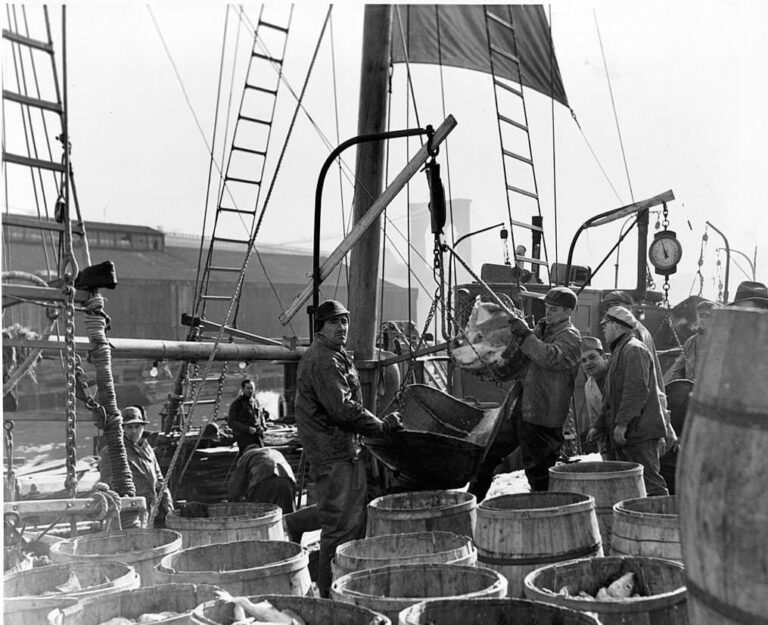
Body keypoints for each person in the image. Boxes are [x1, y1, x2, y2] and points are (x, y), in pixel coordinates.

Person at [294, 299, 403, 597]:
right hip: (333, 455)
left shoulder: (335, 354)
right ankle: (330, 595)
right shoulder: (324, 360)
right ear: (321, 327)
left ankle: (341, 588)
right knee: (340, 528)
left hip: (344, 450)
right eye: (335, 322)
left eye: (345, 322)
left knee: (350, 524)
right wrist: (380, 427)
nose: (342, 327)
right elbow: (342, 410)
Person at [470, 286, 581, 498]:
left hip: (543, 414)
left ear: (568, 312)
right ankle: (471, 503)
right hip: (520, 407)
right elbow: (521, 360)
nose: (548, 313)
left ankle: (545, 510)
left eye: (554, 310)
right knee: (488, 456)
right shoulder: (542, 330)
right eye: (547, 308)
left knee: (539, 472)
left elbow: (549, 357)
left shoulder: (570, 337)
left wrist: (526, 335)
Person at [588, 306, 668, 496]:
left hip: (640, 433)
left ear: (616, 325)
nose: (604, 330)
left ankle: (662, 522)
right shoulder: (620, 352)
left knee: (650, 484)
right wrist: (598, 426)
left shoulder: (633, 349)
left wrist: (622, 424)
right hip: (630, 434)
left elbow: (636, 390)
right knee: (633, 487)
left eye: (606, 325)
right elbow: (610, 396)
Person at [98, 405, 173, 527]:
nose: (134, 431)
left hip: (150, 510)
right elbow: (108, 483)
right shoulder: (111, 452)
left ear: (143, 427)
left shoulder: (147, 449)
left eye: (137, 426)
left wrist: (169, 506)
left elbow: (160, 481)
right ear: (122, 428)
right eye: (129, 427)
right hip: (128, 513)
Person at [227, 444, 297, 514]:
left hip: (265, 479)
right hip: (287, 480)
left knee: (260, 516)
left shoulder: (247, 455)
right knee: (287, 517)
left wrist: (232, 500)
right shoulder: (274, 452)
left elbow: (236, 482)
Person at [664, 300, 719, 384]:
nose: (703, 319)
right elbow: (678, 370)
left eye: (707, 316)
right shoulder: (690, 342)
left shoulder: (722, 342)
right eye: (701, 316)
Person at [580, 335, 610, 458]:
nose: (588, 363)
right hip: (611, 445)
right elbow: (594, 418)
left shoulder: (618, 372)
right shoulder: (589, 386)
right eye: (583, 360)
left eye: (592, 357)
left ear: (603, 356)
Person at [227, 378, 267, 457]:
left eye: (252, 388)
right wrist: (247, 429)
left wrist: (263, 427)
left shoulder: (256, 402)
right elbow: (231, 422)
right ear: (243, 389)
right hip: (244, 437)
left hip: (257, 436)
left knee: (262, 456)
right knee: (246, 458)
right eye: (248, 388)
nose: (250, 391)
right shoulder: (236, 404)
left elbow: (261, 416)